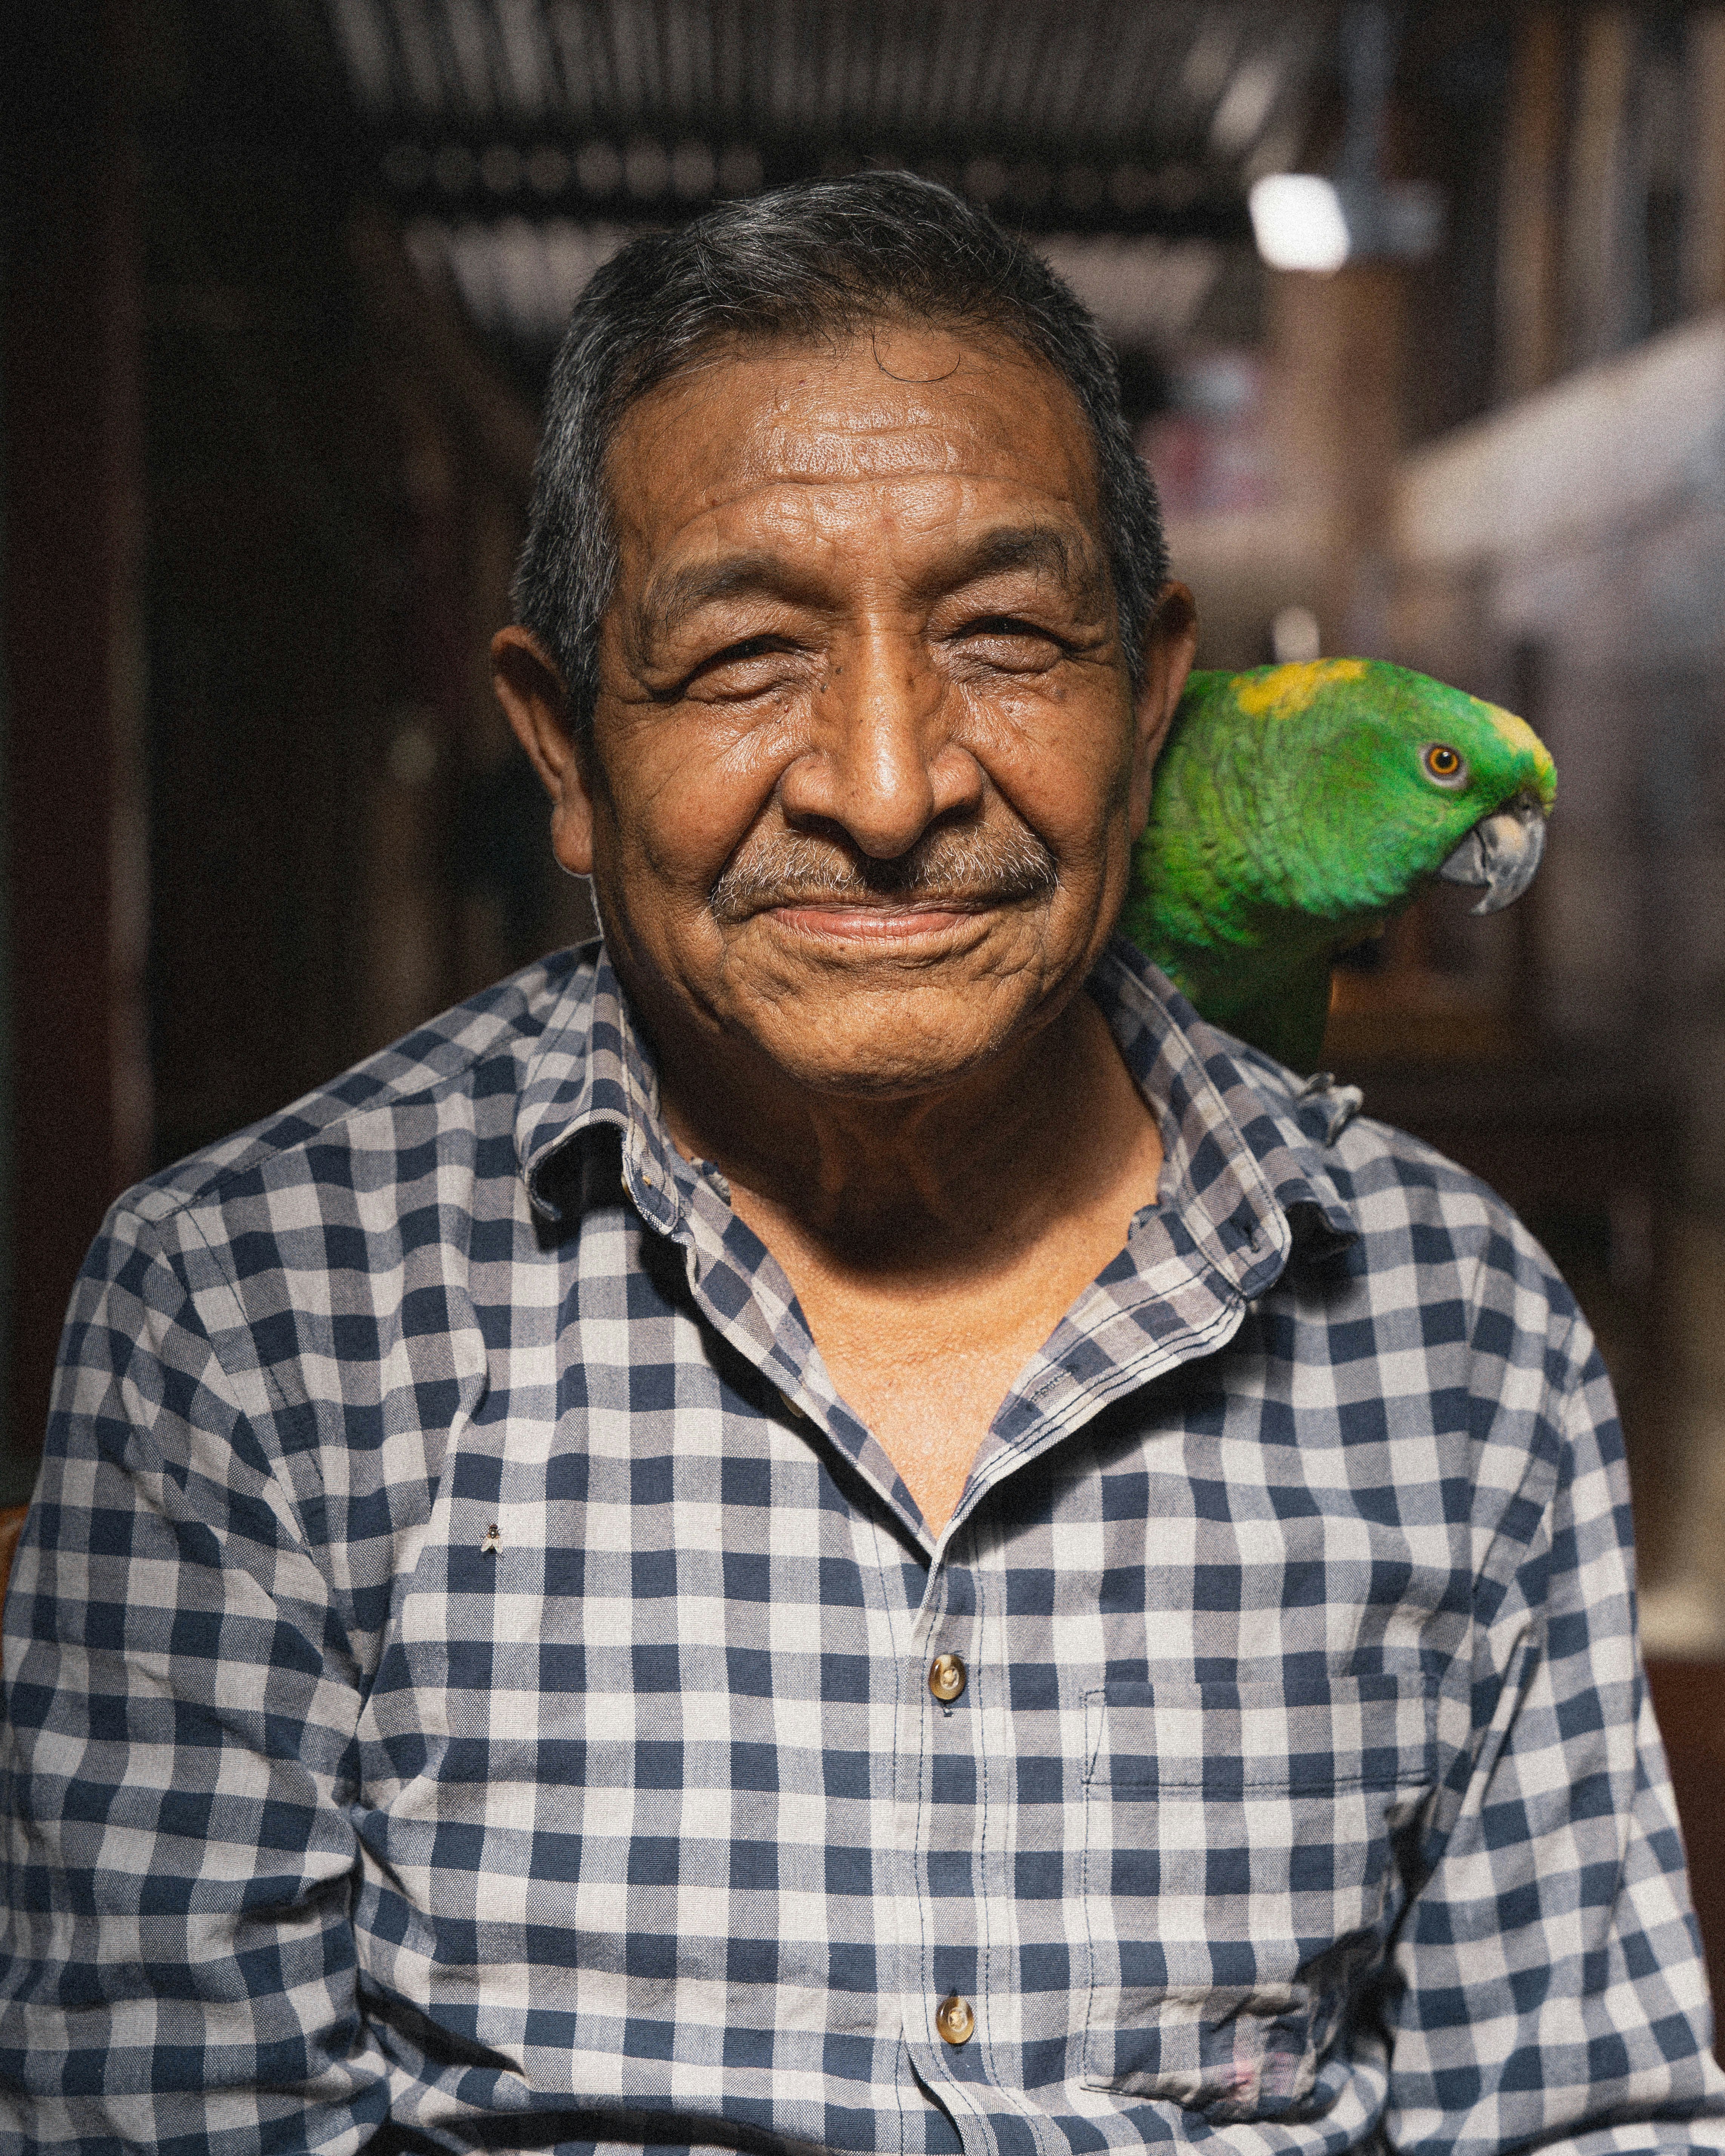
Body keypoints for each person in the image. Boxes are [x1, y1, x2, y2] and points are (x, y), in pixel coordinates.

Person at [2, 172, 1720, 2156]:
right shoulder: (241, 1321)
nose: (890, 788)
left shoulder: (1460, 1333)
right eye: (742, 656)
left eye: (1002, 635)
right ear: (561, 749)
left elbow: (1580, 2116)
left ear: (1151, 699)